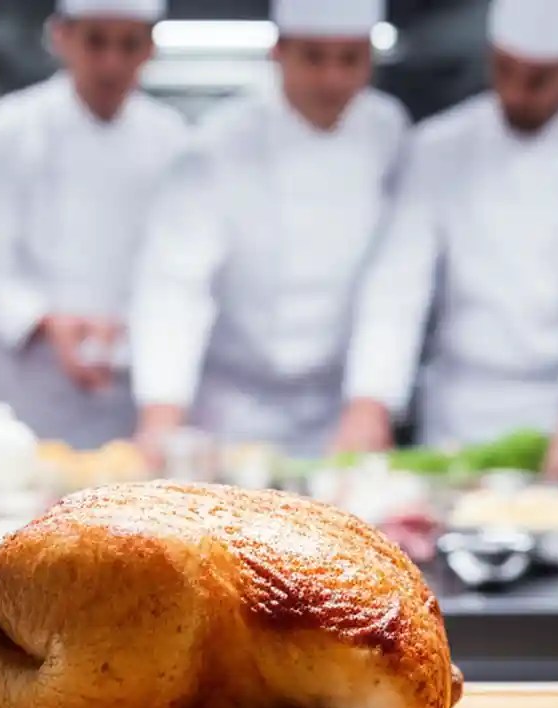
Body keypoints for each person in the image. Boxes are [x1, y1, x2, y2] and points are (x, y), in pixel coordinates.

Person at [334, 0, 558, 487]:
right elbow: (398, 283)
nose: (516, 92)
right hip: (464, 410)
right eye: (504, 70)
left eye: (538, 79)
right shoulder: (441, 145)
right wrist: (370, 401)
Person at [131, 0, 409, 458]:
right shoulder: (221, 142)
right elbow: (175, 285)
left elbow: (395, 282)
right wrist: (161, 416)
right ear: (279, 52)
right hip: (230, 409)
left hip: (334, 409)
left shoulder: (388, 132)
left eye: (350, 59)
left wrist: (371, 402)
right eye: (314, 58)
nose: (332, 79)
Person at [0, 0, 185, 449]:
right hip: (16, 400)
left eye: (128, 44)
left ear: (150, 49)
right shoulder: (3, 130)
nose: (111, 63)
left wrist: (129, 329)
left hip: (122, 396)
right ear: (61, 37)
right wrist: (44, 322)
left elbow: (177, 274)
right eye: (96, 41)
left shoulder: (173, 142)